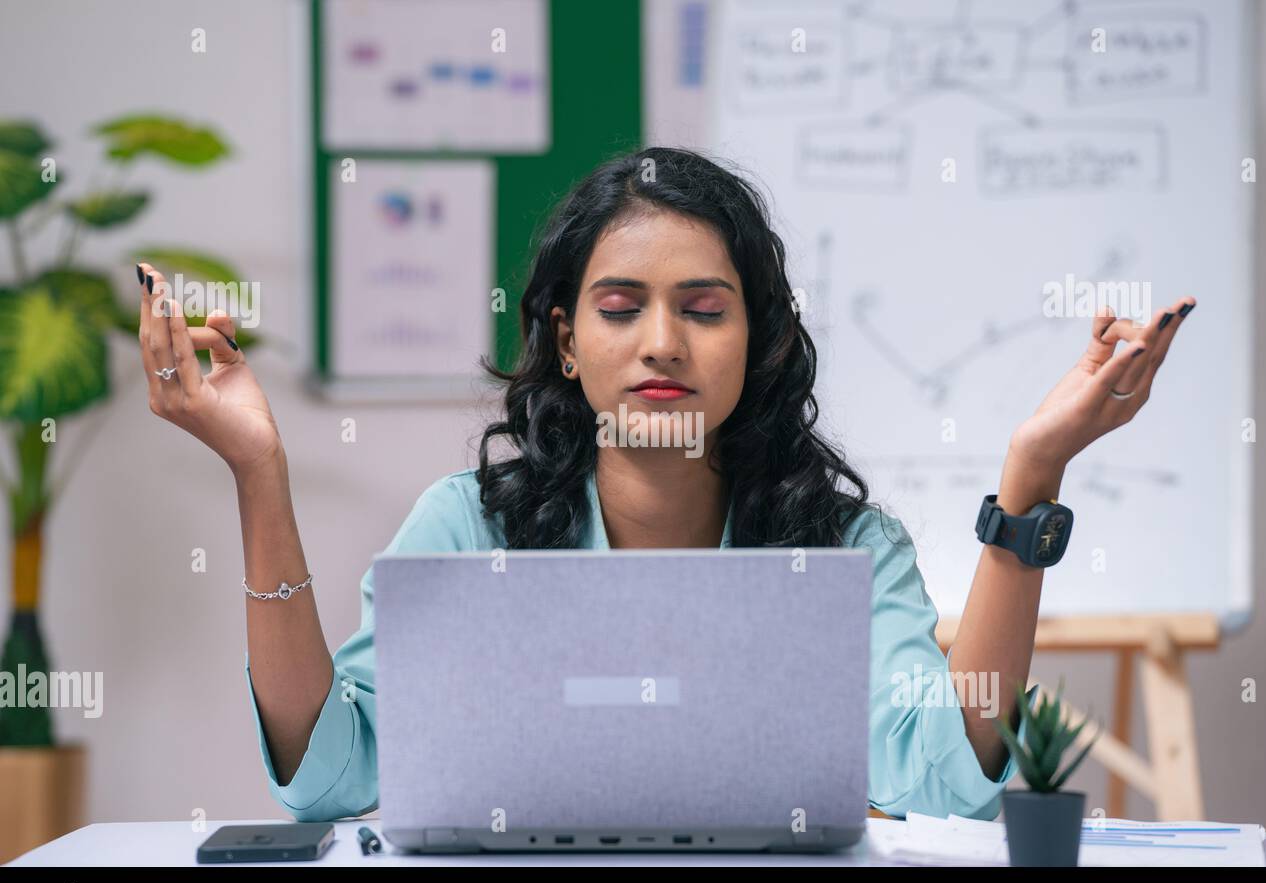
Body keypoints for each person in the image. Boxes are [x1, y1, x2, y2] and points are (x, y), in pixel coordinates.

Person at [134, 146, 1194, 824]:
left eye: (703, 306)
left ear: (759, 339)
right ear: (564, 336)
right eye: (618, 304)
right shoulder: (467, 526)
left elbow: (946, 776)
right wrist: (258, 472)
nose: (660, 342)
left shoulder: (843, 544)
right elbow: (332, 774)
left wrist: (1032, 473)